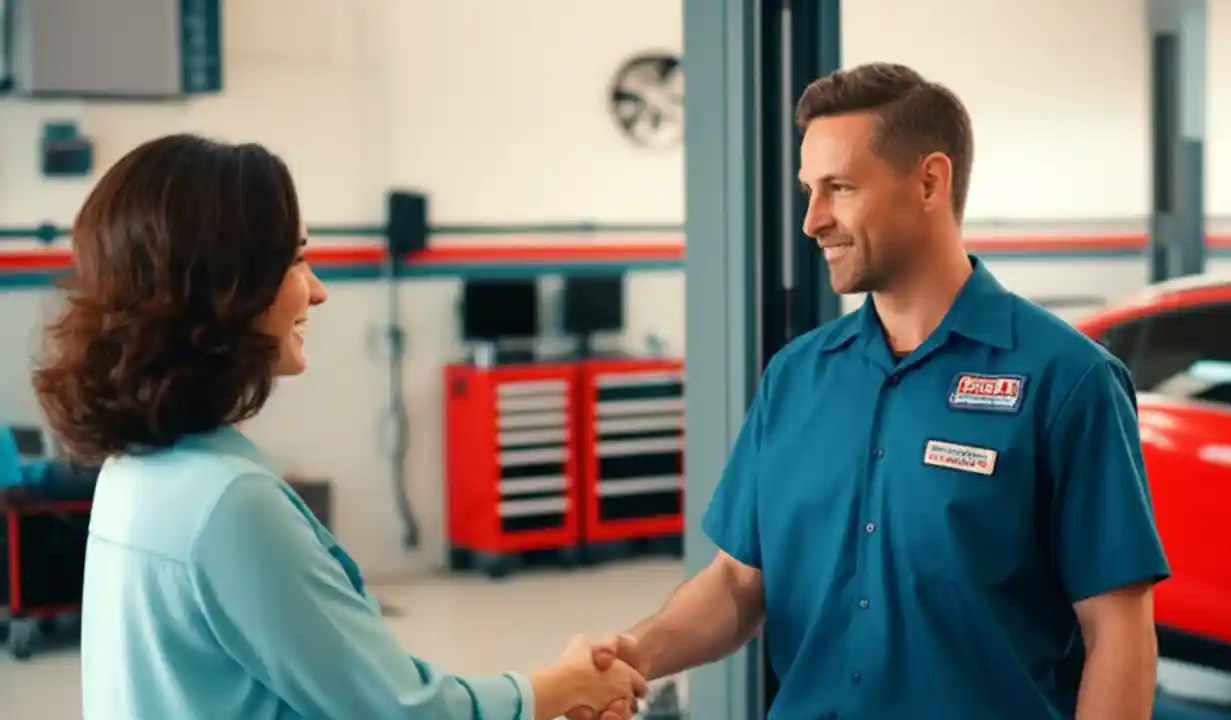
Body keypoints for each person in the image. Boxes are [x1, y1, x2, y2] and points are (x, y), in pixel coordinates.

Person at [581, 63, 1171, 719]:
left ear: (929, 182)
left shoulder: (1066, 380)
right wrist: (637, 654)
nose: (813, 221)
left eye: (839, 188)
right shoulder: (797, 377)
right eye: (809, 191)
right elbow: (738, 581)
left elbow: (1118, 630)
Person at [32, 134, 646, 720]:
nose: (319, 292)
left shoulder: (136, 469)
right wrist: (566, 685)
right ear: (225, 285)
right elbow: (400, 710)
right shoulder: (230, 506)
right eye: (297, 260)